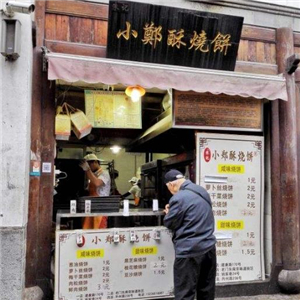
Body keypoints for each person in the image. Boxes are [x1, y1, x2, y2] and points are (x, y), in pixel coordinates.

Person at [163, 169, 216, 300]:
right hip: (209, 248)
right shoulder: (202, 191)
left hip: (189, 252)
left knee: (185, 294)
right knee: (206, 291)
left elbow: (170, 223)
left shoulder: (179, 198)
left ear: (171, 184)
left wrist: (168, 213)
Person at [79, 153, 111, 229]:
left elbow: (97, 183)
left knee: (99, 230)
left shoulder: (104, 173)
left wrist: (88, 170)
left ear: (95, 162)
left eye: (89, 165)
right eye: (87, 165)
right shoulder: (94, 174)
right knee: (88, 230)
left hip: (101, 207)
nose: (89, 167)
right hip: (91, 206)